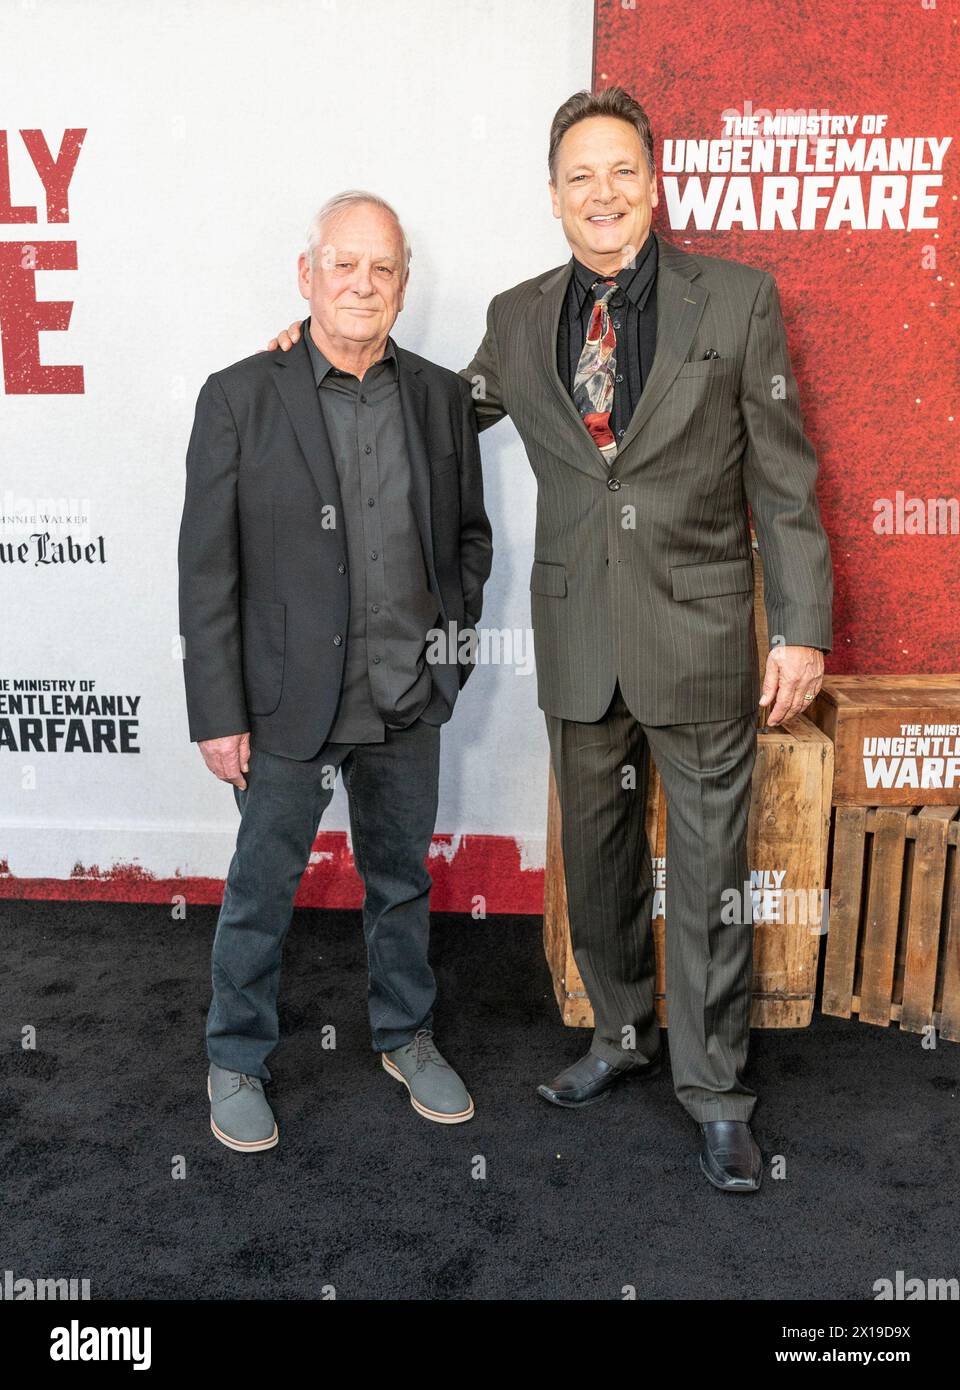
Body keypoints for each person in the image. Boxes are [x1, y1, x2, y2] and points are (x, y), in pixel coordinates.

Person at [267, 88, 833, 1192]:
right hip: (578, 641)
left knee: (711, 870)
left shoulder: (739, 302)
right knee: (599, 858)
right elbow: (440, 408)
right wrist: (327, 347)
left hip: (703, 634)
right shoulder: (522, 316)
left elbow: (787, 478)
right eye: (580, 176)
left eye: (621, 171)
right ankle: (619, 1035)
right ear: (555, 197)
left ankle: (716, 1089)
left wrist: (802, 627)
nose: (603, 193)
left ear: (655, 183)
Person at [179, 191, 493, 1152]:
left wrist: (449, 654)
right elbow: (207, 569)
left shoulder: (441, 396)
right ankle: (235, 1055)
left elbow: (468, 541)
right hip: (284, 707)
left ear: (404, 285)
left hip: (407, 699)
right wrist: (216, 711)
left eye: (383, 268)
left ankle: (406, 1033)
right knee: (261, 887)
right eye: (344, 264)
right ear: (306, 274)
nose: (363, 283)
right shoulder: (238, 395)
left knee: (401, 882)